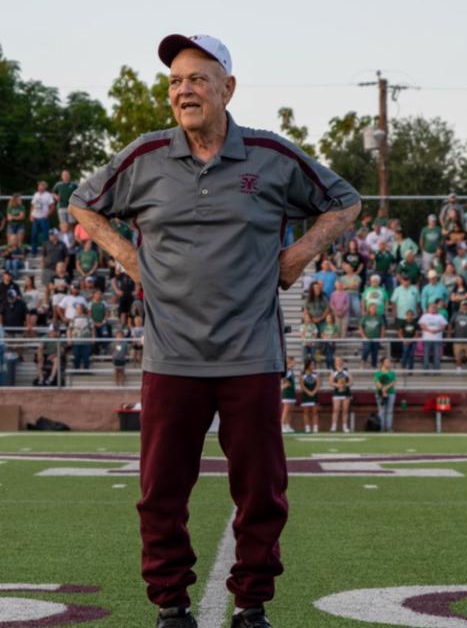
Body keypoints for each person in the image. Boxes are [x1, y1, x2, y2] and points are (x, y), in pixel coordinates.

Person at [67, 33, 360, 628]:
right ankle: (171, 604)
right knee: (160, 494)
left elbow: (344, 201)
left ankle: (251, 603)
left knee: (261, 492)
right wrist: (127, 255)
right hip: (170, 357)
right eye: (175, 81)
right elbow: (82, 203)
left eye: (198, 78)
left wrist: (299, 254)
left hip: (251, 352)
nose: (184, 90)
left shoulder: (272, 156)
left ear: (228, 87)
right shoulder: (144, 157)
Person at [329, 355, 352, 433]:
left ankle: (345, 426)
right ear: (335, 362)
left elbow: (351, 382)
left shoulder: (346, 370)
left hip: (346, 392)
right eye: (337, 360)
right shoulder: (333, 371)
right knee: (336, 410)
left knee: (345, 410)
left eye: (340, 360)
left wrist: (345, 385)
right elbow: (331, 383)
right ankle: (334, 426)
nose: (338, 362)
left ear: (342, 362)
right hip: (337, 393)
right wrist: (338, 385)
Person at [374, 356, 397, 432]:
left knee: (389, 411)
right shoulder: (377, 373)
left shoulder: (392, 373)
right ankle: (381, 428)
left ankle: (389, 428)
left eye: (389, 362)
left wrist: (385, 389)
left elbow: (394, 383)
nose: (389, 363)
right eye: (387, 362)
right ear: (382, 363)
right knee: (381, 411)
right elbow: (377, 383)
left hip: (391, 393)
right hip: (380, 394)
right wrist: (383, 391)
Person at [299, 359, 320, 434]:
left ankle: (315, 427)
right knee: (306, 412)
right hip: (305, 395)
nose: (313, 366)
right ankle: (307, 427)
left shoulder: (315, 374)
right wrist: (308, 392)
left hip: (314, 395)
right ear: (307, 365)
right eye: (312, 364)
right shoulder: (302, 374)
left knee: (315, 412)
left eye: (314, 365)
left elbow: (318, 384)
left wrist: (313, 392)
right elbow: (302, 385)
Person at [279, 357, 297, 434]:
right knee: (286, 410)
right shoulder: (286, 370)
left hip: (292, 392)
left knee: (290, 410)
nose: (294, 363)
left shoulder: (291, 371)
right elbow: (283, 379)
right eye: (293, 362)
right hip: (287, 392)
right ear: (289, 362)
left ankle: (287, 424)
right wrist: (286, 383)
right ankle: (282, 425)